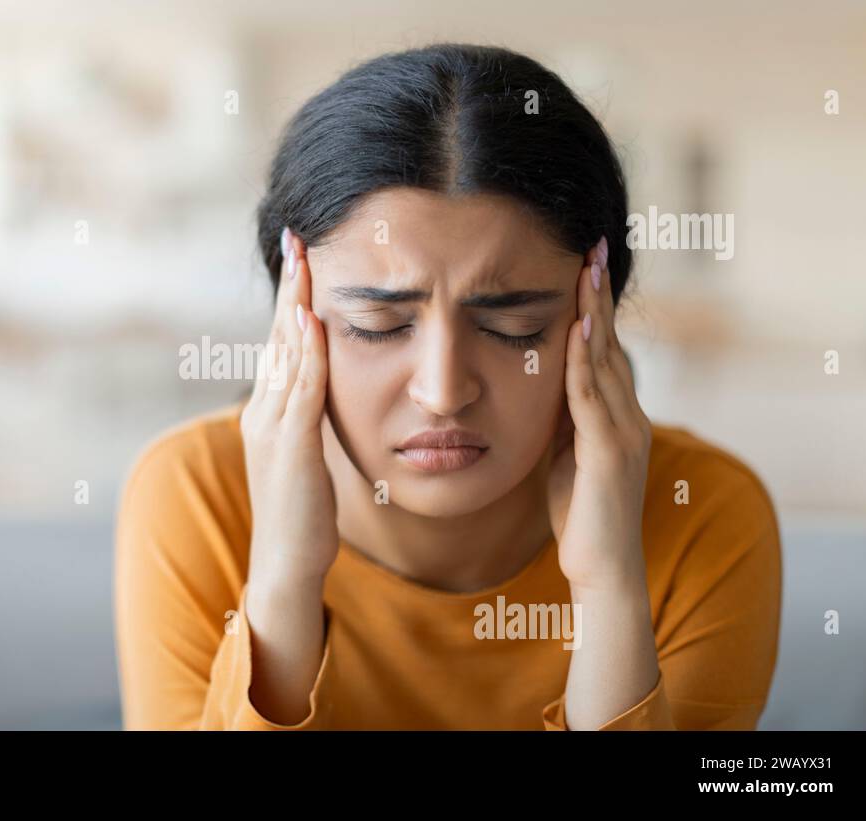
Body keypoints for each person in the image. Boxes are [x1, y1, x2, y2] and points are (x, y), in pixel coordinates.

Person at [114, 43, 781, 730]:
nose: (441, 391)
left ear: (597, 314)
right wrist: (284, 574)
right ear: (294, 316)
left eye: (514, 325)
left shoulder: (705, 515)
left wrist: (609, 588)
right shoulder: (196, 492)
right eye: (377, 324)